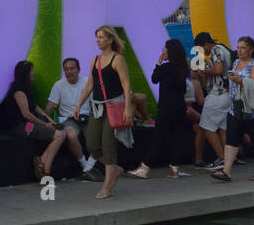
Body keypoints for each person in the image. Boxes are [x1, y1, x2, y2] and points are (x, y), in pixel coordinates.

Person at [73, 25, 132, 200]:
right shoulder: (95, 60)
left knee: (108, 144)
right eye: (97, 37)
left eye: (101, 37)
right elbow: (90, 85)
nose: (98, 40)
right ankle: (115, 168)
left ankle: (107, 186)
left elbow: (126, 85)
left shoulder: (117, 59)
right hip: (97, 106)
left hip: (113, 106)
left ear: (110, 39)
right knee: (91, 143)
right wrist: (79, 104)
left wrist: (128, 108)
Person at [129, 39, 193, 180]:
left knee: (158, 138)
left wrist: (158, 62)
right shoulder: (182, 69)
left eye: (165, 49)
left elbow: (154, 79)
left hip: (166, 108)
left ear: (169, 51)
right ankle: (174, 168)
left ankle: (144, 168)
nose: (163, 51)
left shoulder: (165, 68)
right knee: (177, 138)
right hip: (180, 107)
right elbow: (182, 89)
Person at [0, 61, 65, 177]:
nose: (34, 73)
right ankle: (46, 169)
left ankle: (41, 161)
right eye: (31, 70)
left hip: (27, 124)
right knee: (59, 135)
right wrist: (45, 125)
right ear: (25, 74)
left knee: (61, 132)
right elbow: (26, 114)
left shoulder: (26, 89)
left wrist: (50, 120)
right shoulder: (18, 91)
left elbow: (35, 107)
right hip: (22, 126)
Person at [210, 36, 254, 182]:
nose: (240, 51)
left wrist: (241, 81)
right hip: (236, 108)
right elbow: (232, 83)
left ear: (251, 49)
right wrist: (230, 97)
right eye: (238, 48)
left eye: (243, 48)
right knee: (232, 138)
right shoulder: (236, 62)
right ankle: (226, 171)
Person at [45, 57, 95, 179]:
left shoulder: (87, 82)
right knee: (71, 135)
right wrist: (44, 120)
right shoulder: (59, 85)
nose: (69, 72)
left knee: (100, 135)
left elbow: (94, 103)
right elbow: (50, 107)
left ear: (78, 70)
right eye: (66, 69)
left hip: (87, 117)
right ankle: (85, 166)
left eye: (72, 68)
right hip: (69, 119)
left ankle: (89, 166)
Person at [190, 31, 231, 171]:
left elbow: (219, 70)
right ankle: (228, 158)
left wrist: (205, 70)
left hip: (217, 94)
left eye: (202, 48)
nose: (203, 52)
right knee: (222, 129)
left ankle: (222, 159)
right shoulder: (224, 48)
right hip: (226, 94)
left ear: (206, 44)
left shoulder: (216, 50)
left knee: (208, 128)